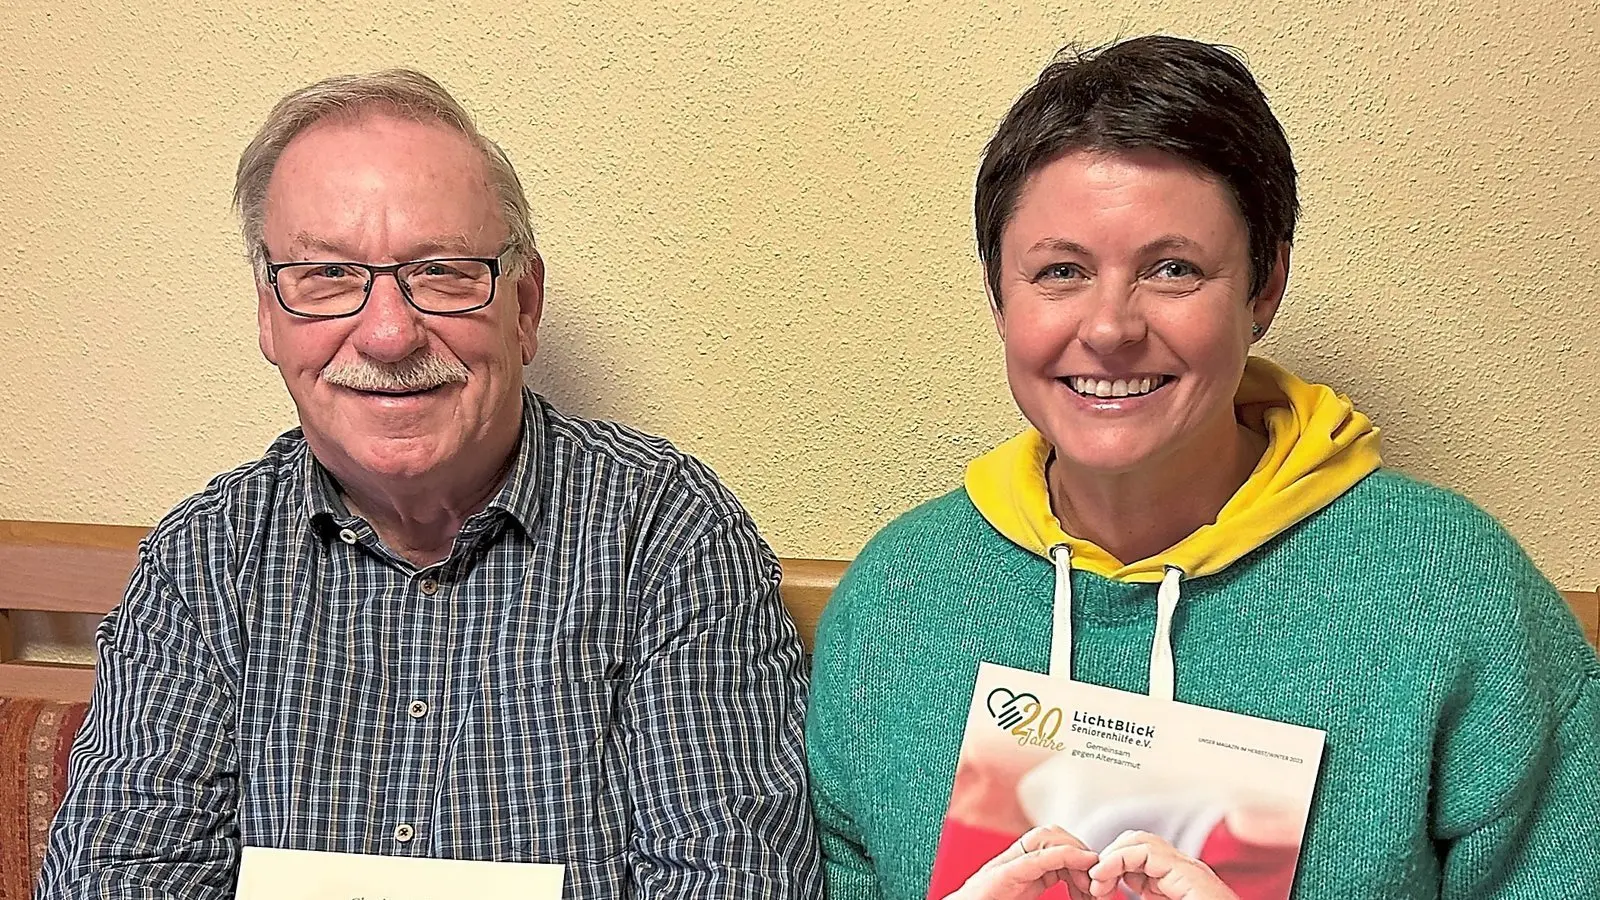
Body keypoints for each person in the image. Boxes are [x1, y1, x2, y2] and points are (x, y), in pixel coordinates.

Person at [805, 35, 1600, 900]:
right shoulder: (895, 599)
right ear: (1001, 297)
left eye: (1172, 269)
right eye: (1061, 271)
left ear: (1264, 287)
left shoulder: (1452, 591)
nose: (1109, 328)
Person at [37, 69, 821, 900]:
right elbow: (116, 877)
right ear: (269, 316)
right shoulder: (202, 562)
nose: (386, 334)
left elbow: (734, 877)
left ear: (525, 306)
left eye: (443, 271)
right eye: (327, 276)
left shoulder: (665, 534)